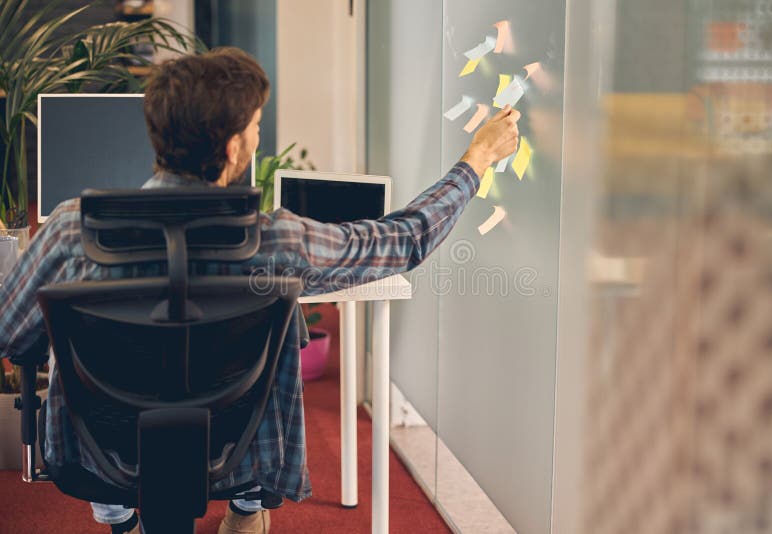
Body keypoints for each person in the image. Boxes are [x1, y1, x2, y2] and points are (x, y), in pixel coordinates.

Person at [0, 47, 519, 534]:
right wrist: (476, 158)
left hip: (101, 453)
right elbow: (405, 240)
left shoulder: (71, 230)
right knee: (283, 315)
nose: (256, 137)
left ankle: (119, 520)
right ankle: (247, 511)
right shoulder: (277, 241)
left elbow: (12, 336)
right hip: (239, 452)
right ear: (233, 149)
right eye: (254, 127)